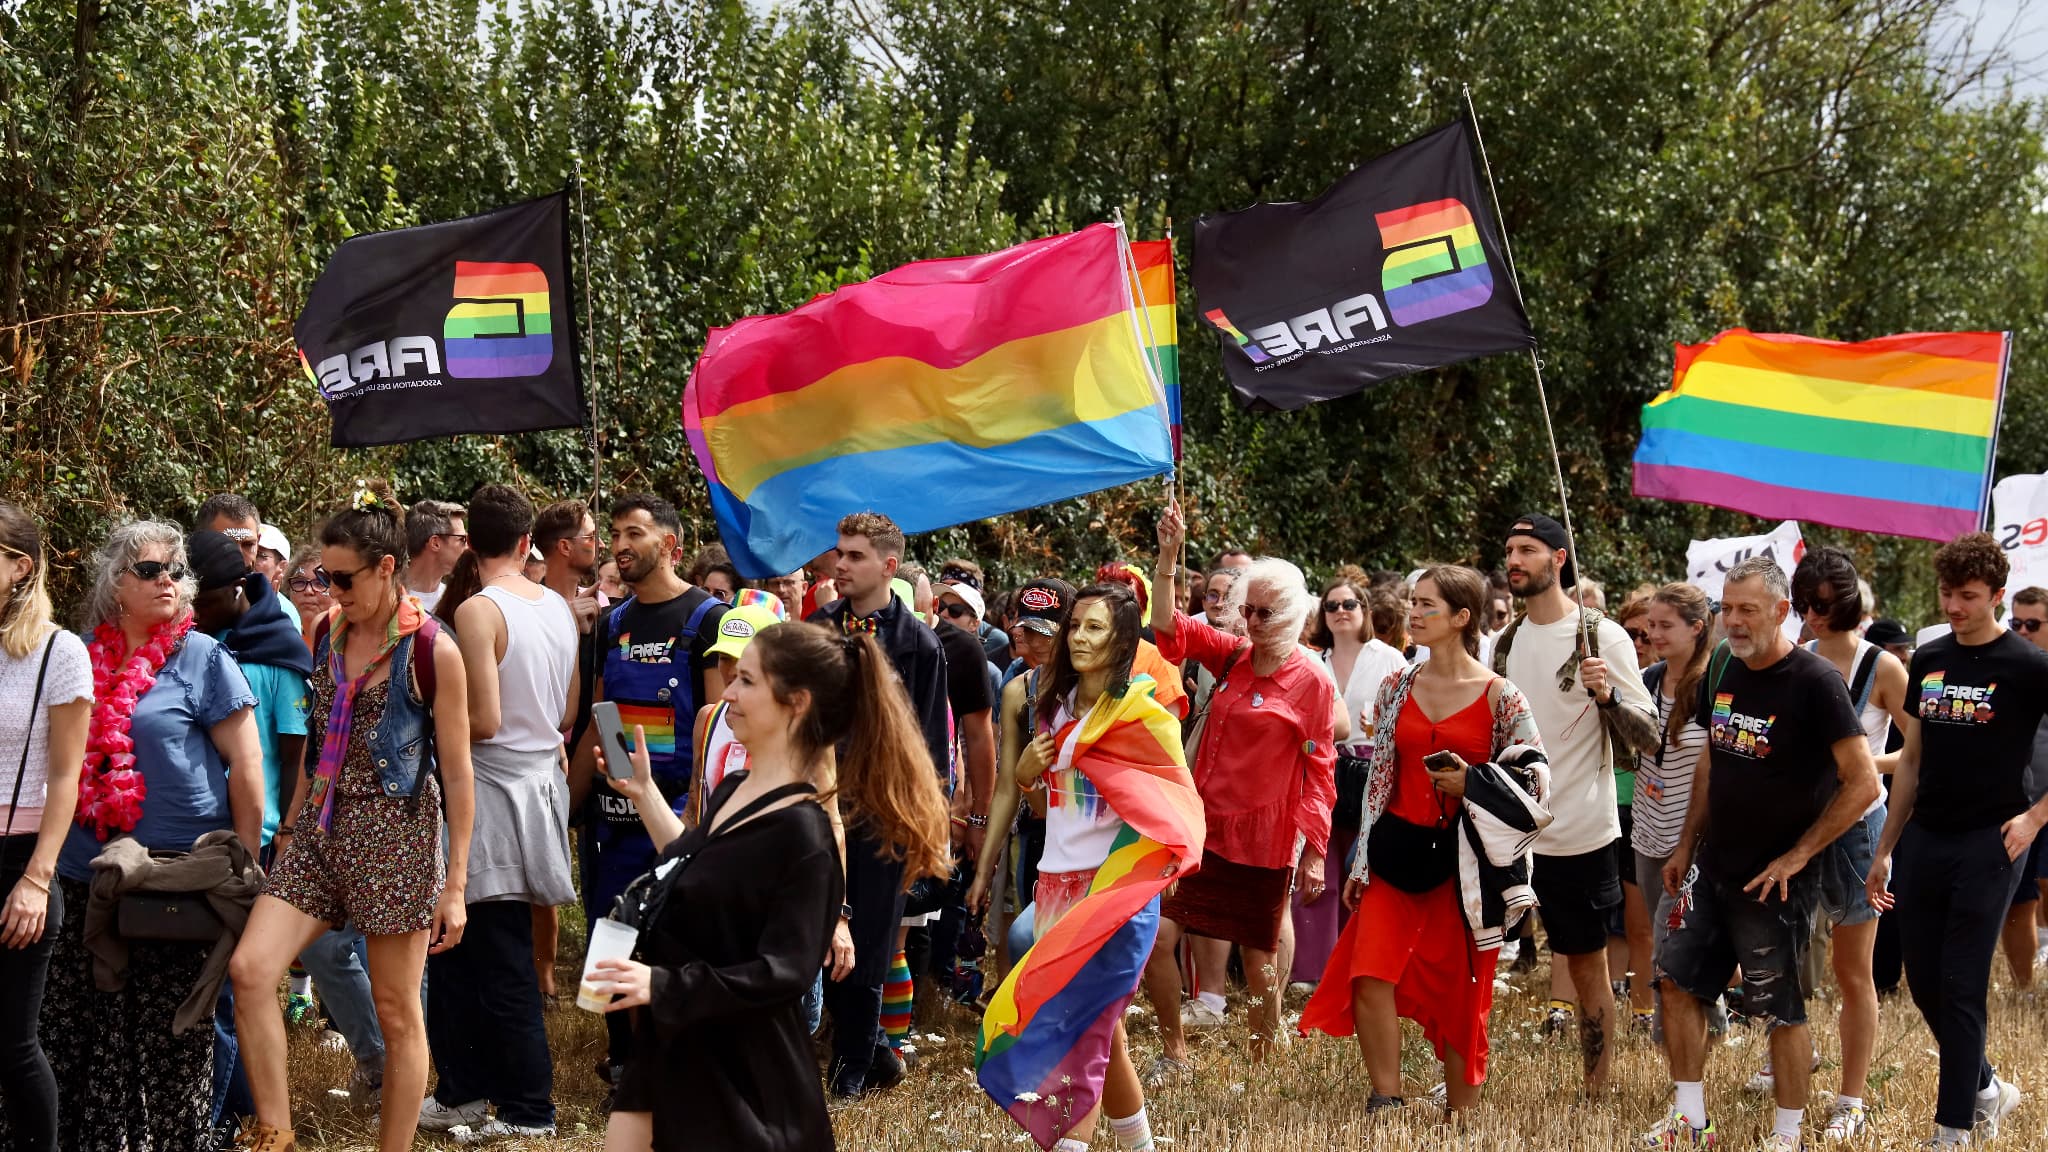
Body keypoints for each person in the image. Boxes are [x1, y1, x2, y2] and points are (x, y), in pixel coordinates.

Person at [590, 622, 950, 1152]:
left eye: (748, 681)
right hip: (680, 1039)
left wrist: (662, 986)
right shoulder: (736, 786)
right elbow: (695, 865)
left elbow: (783, 972)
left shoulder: (804, 834)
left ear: (796, 703)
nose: (728, 691)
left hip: (744, 1078)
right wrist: (644, 794)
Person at [228, 482, 474, 1152]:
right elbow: (312, 746)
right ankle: (275, 1136)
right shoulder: (326, 634)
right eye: (321, 577)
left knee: (397, 1013)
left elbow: (455, 772)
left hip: (394, 837)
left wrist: (454, 886)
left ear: (387, 567)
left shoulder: (433, 650)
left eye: (343, 579)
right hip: (321, 829)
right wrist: (293, 830)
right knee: (251, 970)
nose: (331, 592)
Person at [1644, 556, 1880, 1151]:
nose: (1735, 621)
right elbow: (1709, 759)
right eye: (1727, 607)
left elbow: (1863, 783)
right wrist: (1685, 842)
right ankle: (1690, 1119)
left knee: (1778, 1008)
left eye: (1748, 610)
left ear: (1781, 612)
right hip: (1713, 864)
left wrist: (1799, 856)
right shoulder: (1723, 664)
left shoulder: (1816, 682)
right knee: (1675, 981)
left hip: (1775, 882)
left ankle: (1787, 1135)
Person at [45, 521, 264, 1152]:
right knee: (80, 1032)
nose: (168, 580)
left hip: (180, 880)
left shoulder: (204, 658)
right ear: (115, 585)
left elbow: (248, 769)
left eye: (176, 570)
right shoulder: (75, 657)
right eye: (150, 570)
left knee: (171, 1038)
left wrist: (242, 865)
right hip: (85, 875)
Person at [1301, 565, 1548, 1115]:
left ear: (1462, 618)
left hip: (1466, 868)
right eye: (1413, 602)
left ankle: (1462, 1113)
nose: (1413, 612)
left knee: (1464, 993)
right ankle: (1385, 1097)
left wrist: (1474, 783)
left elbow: (1535, 780)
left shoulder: (1502, 697)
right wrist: (1361, 858)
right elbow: (1380, 778)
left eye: (1427, 605)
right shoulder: (1397, 686)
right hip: (1395, 851)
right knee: (1369, 972)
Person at [970, 583, 1202, 1152]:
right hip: (1054, 888)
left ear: (1123, 640)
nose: (1077, 638)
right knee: (1102, 1027)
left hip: (1115, 896)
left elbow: (1176, 805)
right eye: (1075, 626)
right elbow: (1034, 800)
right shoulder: (1047, 705)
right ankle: (1138, 1144)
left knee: (1079, 1029)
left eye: (1093, 628)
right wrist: (1026, 771)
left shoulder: (1142, 714)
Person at [1141, 503, 1335, 1075]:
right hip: (1202, 826)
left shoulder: (1313, 682)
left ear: (1297, 616)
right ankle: (1174, 1050)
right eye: (1246, 609)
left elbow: (1321, 770)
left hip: (1264, 836)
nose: (1251, 622)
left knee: (1259, 959)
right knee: (1158, 937)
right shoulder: (1233, 656)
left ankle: (1263, 1054)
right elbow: (1168, 627)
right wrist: (1170, 554)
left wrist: (1316, 851)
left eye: (1266, 613)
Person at [1868, 533, 2048, 1147]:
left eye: (1968, 597)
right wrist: (1887, 846)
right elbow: (1913, 758)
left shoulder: (2029, 666)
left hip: (1991, 840)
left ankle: (1953, 1131)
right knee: (1922, 981)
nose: (1954, 607)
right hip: (1924, 837)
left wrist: (2034, 819)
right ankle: (1990, 1090)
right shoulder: (1929, 657)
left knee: (1963, 984)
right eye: (1947, 593)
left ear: (1997, 595)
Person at [416, 485, 577, 1140]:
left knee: (500, 955)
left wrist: (423, 712)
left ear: (470, 545)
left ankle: (529, 1109)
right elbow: (566, 715)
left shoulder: (481, 610)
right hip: (537, 780)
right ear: (524, 543)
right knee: (459, 952)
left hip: (494, 789)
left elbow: (480, 719)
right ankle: (461, 1090)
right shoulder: (560, 607)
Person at [568, 494, 728, 1088]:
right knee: (609, 937)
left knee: (675, 944)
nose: (618, 545)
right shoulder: (612, 623)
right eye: (613, 534)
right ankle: (625, 1065)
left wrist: (706, 819)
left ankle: (678, 1070)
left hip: (677, 815)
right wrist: (566, 801)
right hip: (612, 819)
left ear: (672, 545)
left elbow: (718, 725)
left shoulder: (709, 618)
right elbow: (596, 721)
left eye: (633, 533)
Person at [1492, 514, 1655, 1092]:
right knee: (1484, 958)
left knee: (1587, 966)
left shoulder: (1600, 635)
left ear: (1559, 559)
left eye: (1528, 549)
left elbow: (1650, 738)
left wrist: (1607, 695)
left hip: (1581, 831)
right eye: (1510, 549)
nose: (1514, 559)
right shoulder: (1506, 641)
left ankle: (1598, 1087)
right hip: (1512, 830)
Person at [1753, 547, 1910, 1140]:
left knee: (1852, 972)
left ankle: (1851, 1098)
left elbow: (1916, 751)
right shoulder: (1796, 659)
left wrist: (1873, 760)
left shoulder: (1883, 667)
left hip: (1858, 825)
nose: (1815, 617)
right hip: (1796, 823)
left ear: (1847, 603)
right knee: (1783, 956)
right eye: (1807, 604)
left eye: (1825, 605)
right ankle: (1792, 1057)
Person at [805, 512, 951, 1097]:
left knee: (870, 942)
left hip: (883, 815)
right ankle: (877, 1053)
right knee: (821, 929)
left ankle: (853, 1071)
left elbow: (932, 750)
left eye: (854, 556)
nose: (839, 564)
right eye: (838, 553)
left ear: (889, 567)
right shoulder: (817, 629)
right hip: (820, 805)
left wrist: (928, 827)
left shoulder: (920, 644)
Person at [187, 529, 316, 1139]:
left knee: (237, 978)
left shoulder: (280, 650)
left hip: (257, 835)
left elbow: (295, 755)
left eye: (204, 599)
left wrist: (284, 834)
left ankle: (233, 1112)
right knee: (210, 979)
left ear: (237, 590)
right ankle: (225, 1105)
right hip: (197, 834)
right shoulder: (192, 645)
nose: (194, 610)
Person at [0, 504, 90, 1152]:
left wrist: (37, 878)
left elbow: (66, 778)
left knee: (11, 1046)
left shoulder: (60, 653)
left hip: (20, 861)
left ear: (18, 567)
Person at [1297, 574, 1406, 984]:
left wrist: (1381, 727)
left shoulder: (1390, 658)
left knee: (1361, 868)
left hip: (1371, 767)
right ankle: (1310, 969)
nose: (1340, 612)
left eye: (1349, 605)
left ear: (1364, 611)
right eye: (1331, 606)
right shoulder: (1310, 660)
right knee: (1316, 868)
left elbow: (1404, 716)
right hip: (1320, 766)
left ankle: (1357, 963)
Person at [1628, 583, 1714, 1044]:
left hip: (1695, 835)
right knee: (1668, 938)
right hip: (1647, 829)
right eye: (1649, 625)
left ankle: (1671, 1044)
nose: (1653, 634)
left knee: (1669, 942)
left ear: (1697, 628)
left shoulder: (1713, 685)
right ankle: (1711, 1018)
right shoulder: (1646, 680)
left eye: (1664, 626)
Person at [2005, 586, 2048, 973]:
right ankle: (2024, 987)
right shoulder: (2007, 671)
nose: (2022, 631)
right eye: (2015, 622)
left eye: (2032, 623)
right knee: (2017, 901)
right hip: (2014, 806)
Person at [403, 500, 467, 612]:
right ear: (435, 543)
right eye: (462, 539)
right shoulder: (388, 598)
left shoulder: (457, 602)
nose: (467, 548)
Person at [197, 493, 264, 571]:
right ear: (201, 543)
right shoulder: (180, 581)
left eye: (248, 545)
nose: (239, 559)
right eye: (227, 546)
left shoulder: (262, 582)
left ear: (258, 542)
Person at [284, 547, 332, 653]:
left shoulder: (350, 639)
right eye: (300, 582)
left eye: (319, 583)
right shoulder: (279, 640)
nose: (308, 590)